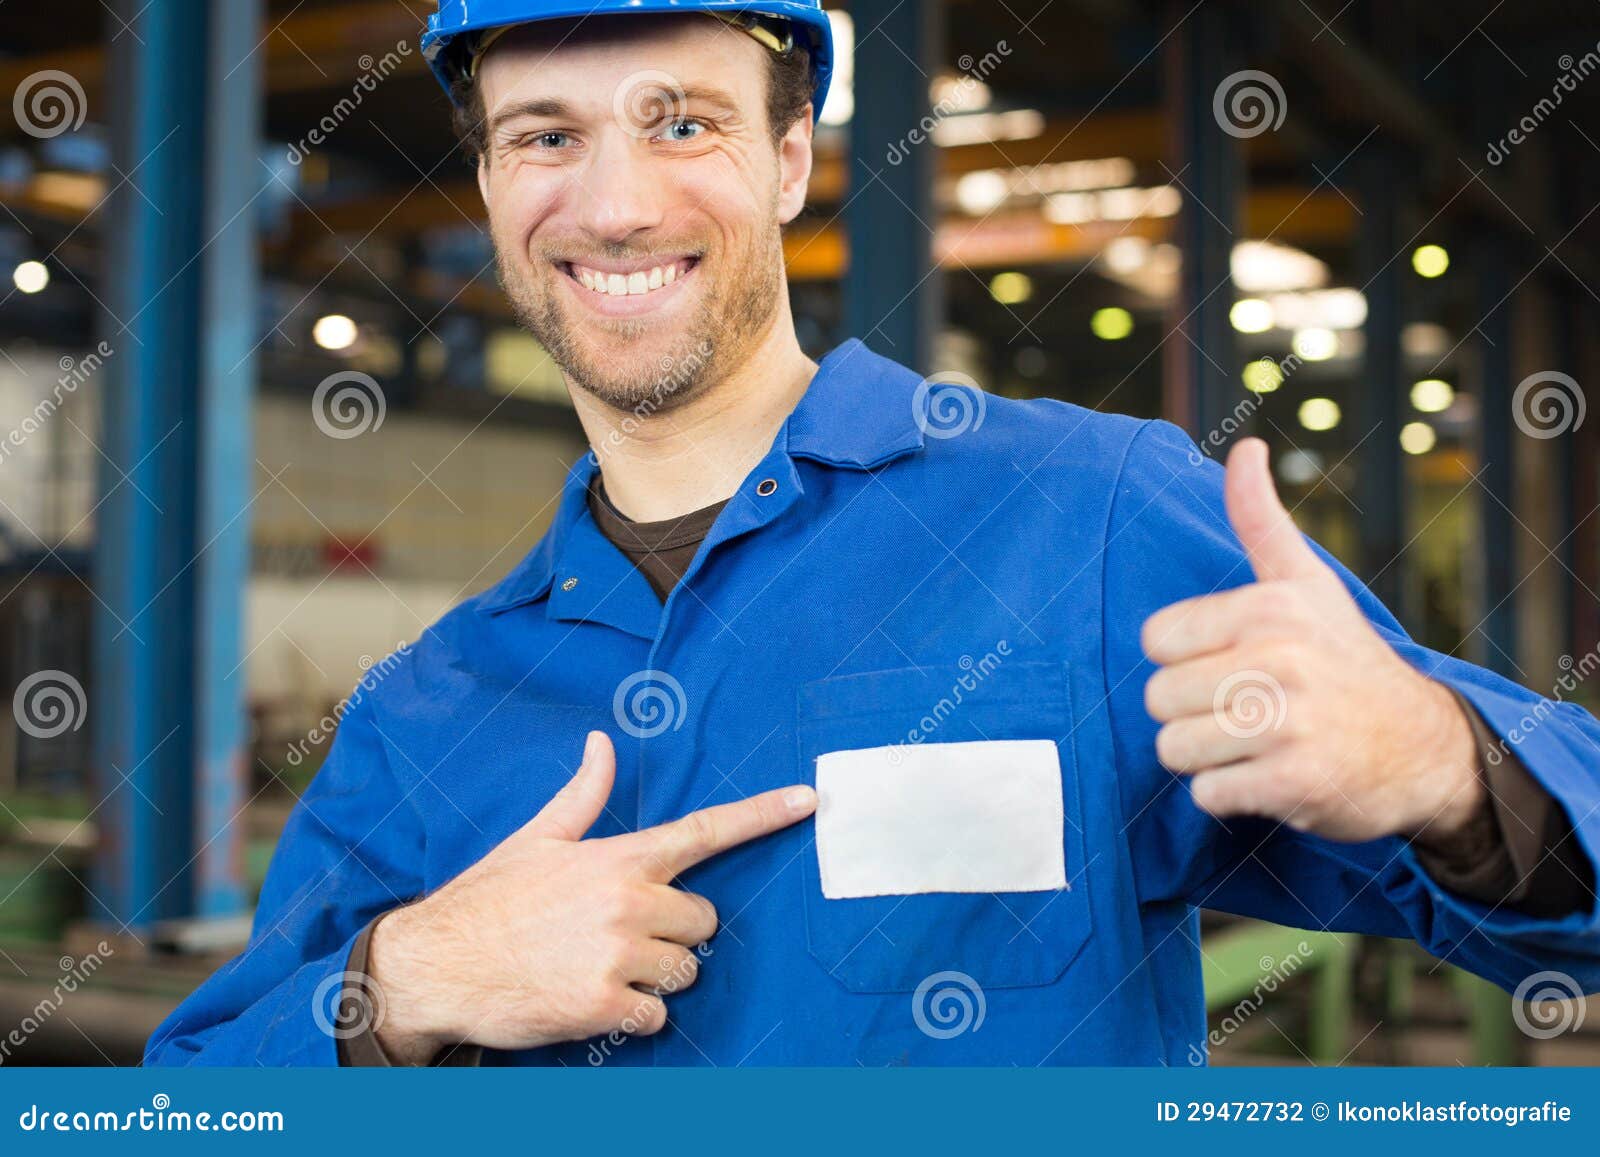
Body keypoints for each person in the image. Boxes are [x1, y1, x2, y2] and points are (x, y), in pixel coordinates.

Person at [146, 0, 1600, 1067]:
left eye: (684, 122)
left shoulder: (1084, 521)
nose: (614, 201)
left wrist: (1440, 768)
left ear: (790, 158)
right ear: (489, 188)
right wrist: (399, 983)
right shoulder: (425, 708)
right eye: (546, 136)